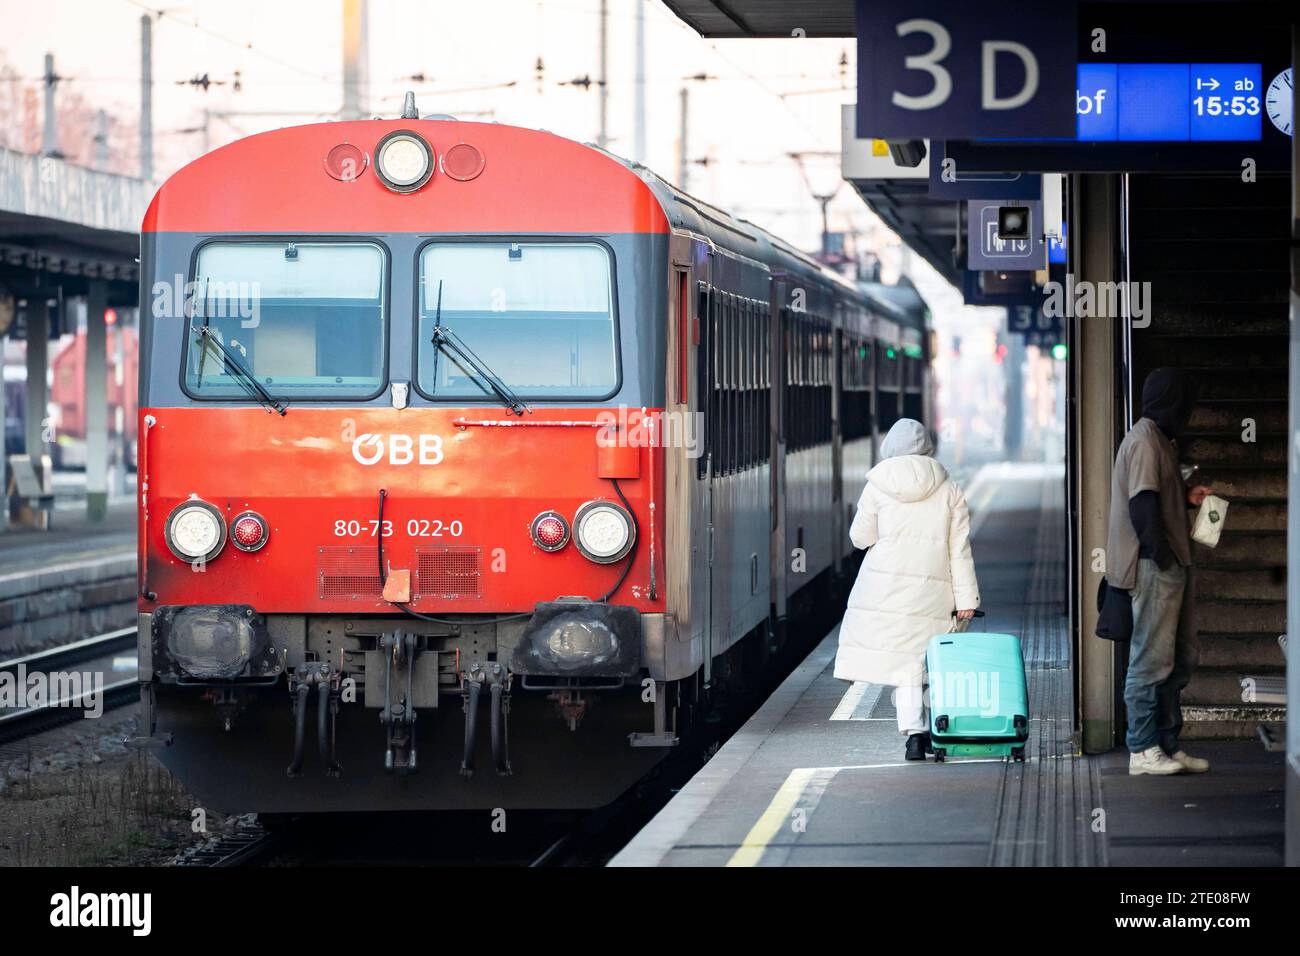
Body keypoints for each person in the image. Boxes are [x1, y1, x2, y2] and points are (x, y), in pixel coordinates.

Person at [833, 418, 980, 761]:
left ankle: (915, 734)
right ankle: (928, 731)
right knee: (928, 662)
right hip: (935, 589)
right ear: (927, 447)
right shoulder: (949, 488)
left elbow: (859, 538)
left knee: (905, 666)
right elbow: (960, 551)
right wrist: (967, 600)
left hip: (888, 588)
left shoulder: (878, 484)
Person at [1107, 368, 1214, 776]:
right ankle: (1142, 749)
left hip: (1170, 563)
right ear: (1173, 401)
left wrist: (1186, 499)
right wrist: (1162, 557)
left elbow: (1157, 498)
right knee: (1150, 661)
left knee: (1178, 659)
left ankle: (1168, 743)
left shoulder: (1159, 441)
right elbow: (1142, 505)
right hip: (1154, 567)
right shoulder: (1144, 442)